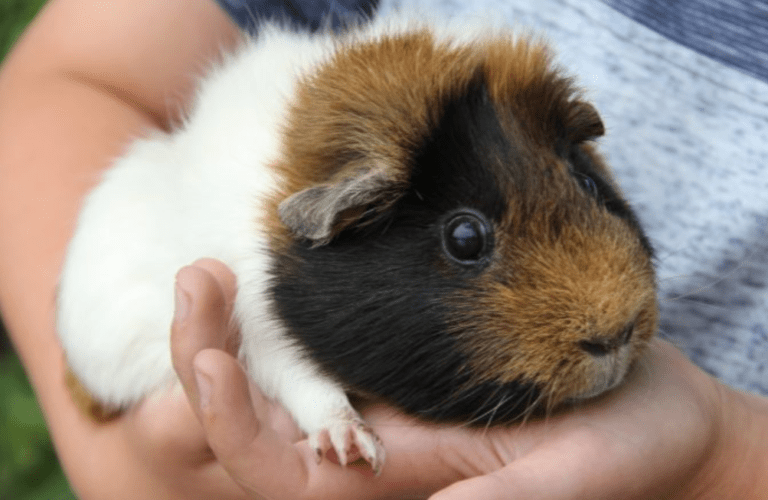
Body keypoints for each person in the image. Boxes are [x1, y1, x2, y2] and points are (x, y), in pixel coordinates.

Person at [0, 0, 765, 498]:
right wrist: (135, 471)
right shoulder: (246, 215)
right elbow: (67, 82)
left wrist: (724, 462)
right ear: (346, 215)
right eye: (468, 241)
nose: (609, 310)